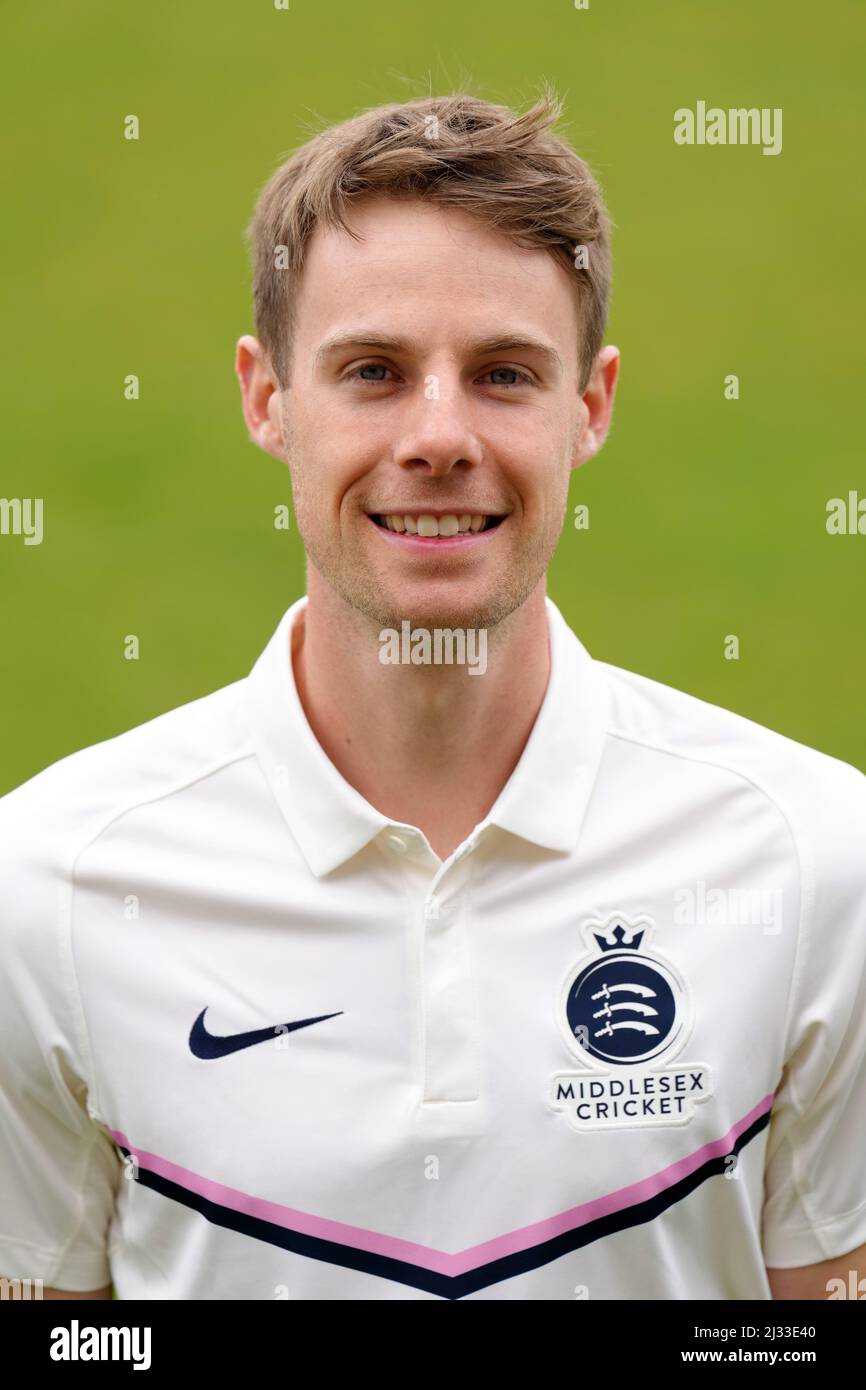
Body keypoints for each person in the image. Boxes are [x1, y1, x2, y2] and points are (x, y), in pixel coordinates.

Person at [1, 89, 864, 1302]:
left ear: (591, 405)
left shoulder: (815, 861)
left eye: (504, 373)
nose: (439, 435)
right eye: (372, 371)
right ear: (266, 398)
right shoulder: (49, 884)